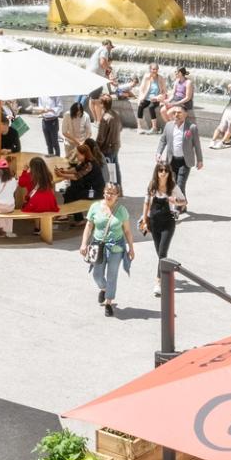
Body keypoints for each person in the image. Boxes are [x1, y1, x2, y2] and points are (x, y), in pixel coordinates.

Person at [80, 183, 136, 316]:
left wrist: (131, 248)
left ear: (118, 195)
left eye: (112, 193)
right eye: (107, 192)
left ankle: (109, 302)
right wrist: (83, 243)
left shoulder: (122, 210)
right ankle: (104, 289)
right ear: (103, 192)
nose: (109, 195)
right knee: (97, 275)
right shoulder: (95, 207)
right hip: (97, 246)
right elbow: (89, 226)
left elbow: (127, 231)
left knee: (112, 275)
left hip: (116, 247)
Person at [139, 160, 186, 295]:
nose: (163, 173)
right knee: (160, 252)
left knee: (162, 254)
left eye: (166, 170)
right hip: (154, 223)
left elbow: (184, 202)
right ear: (157, 172)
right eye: (161, 170)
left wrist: (175, 201)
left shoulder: (173, 187)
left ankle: (158, 281)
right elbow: (146, 203)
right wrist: (145, 220)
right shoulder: (152, 185)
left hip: (168, 223)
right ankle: (167, 269)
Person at [156, 104, 203, 195]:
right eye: (174, 112)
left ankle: (179, 207)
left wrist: (200, 160)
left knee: (180, 184)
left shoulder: (192, 127)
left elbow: (197, 145)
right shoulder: (169, 126)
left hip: (185, 161)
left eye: (179, 112)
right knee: (173, 184)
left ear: (185, 114)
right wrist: (159, 153)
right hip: (171, 160)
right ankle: (182, 205)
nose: (176, 115)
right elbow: (163, 140)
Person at [92, 95, 123, 186]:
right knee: (115, 167)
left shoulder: (105, 118)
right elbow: (120, 128)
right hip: (116, 145)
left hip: (107, 148)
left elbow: (101, 138)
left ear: (102, 104)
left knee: (108, 170)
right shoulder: (115, 114)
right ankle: (118, 189)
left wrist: (95, 148)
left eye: (100, 103)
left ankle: (110, 189)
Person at [135, 64, 167, 133]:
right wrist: (141, 98)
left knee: (151, 107)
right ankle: (139, 127)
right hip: (147, 97)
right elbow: (141, 88)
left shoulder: (161, 78)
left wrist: (157, 97)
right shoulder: (146, 77)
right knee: (140, 105)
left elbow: (164, 91)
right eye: (153, 69)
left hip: (156, 98)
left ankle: (154, 128)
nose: (154, 71)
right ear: (150, 69)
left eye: (156, 69)